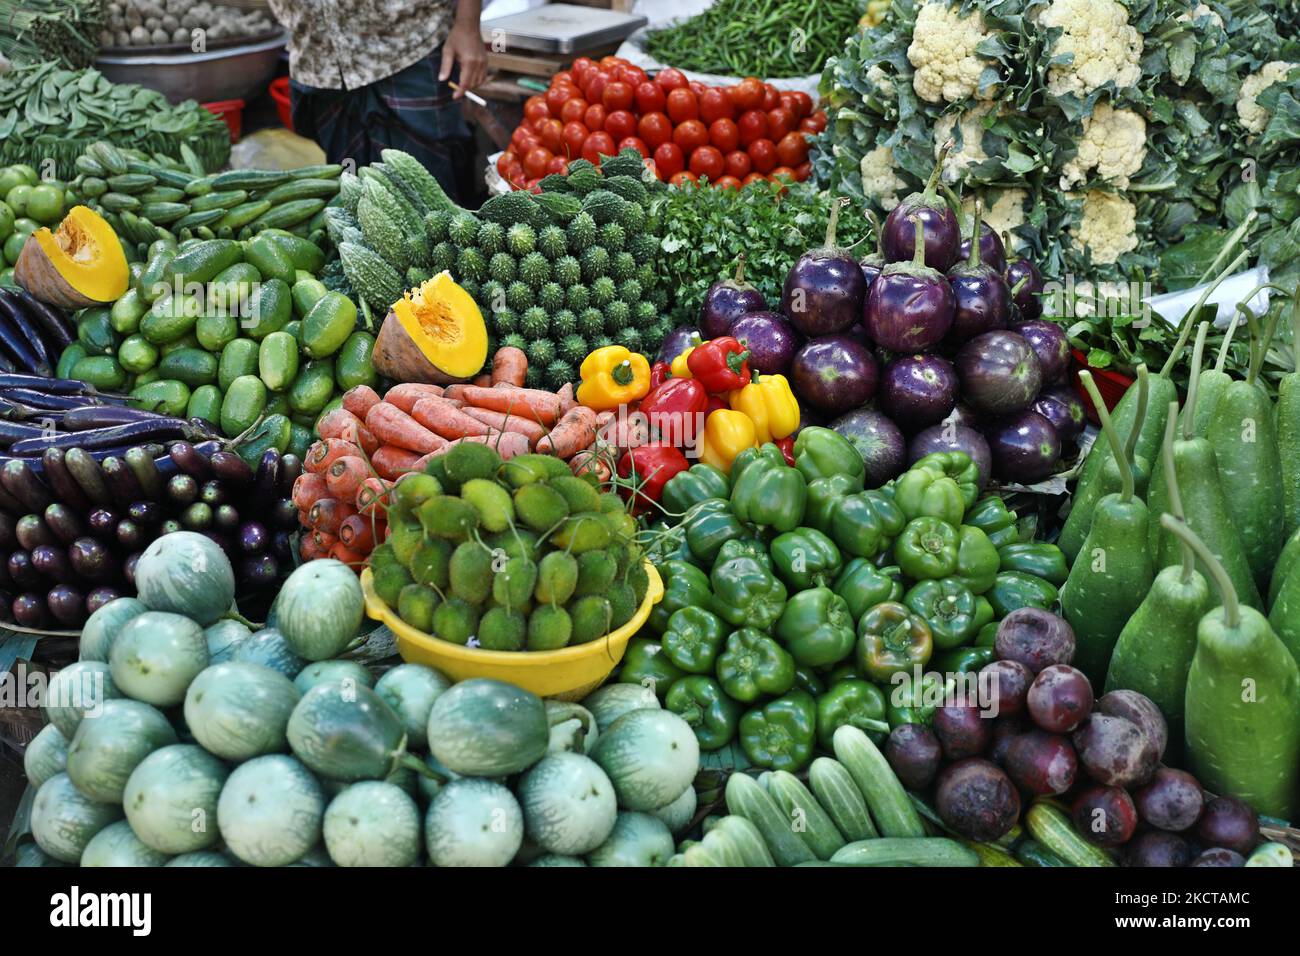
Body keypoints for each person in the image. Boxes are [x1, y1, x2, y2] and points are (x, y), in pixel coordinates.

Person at [266, 0, 488, 200]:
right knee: (351, 196)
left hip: (408, 43)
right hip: (320, 57)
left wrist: (467, 26)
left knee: (434, 197)